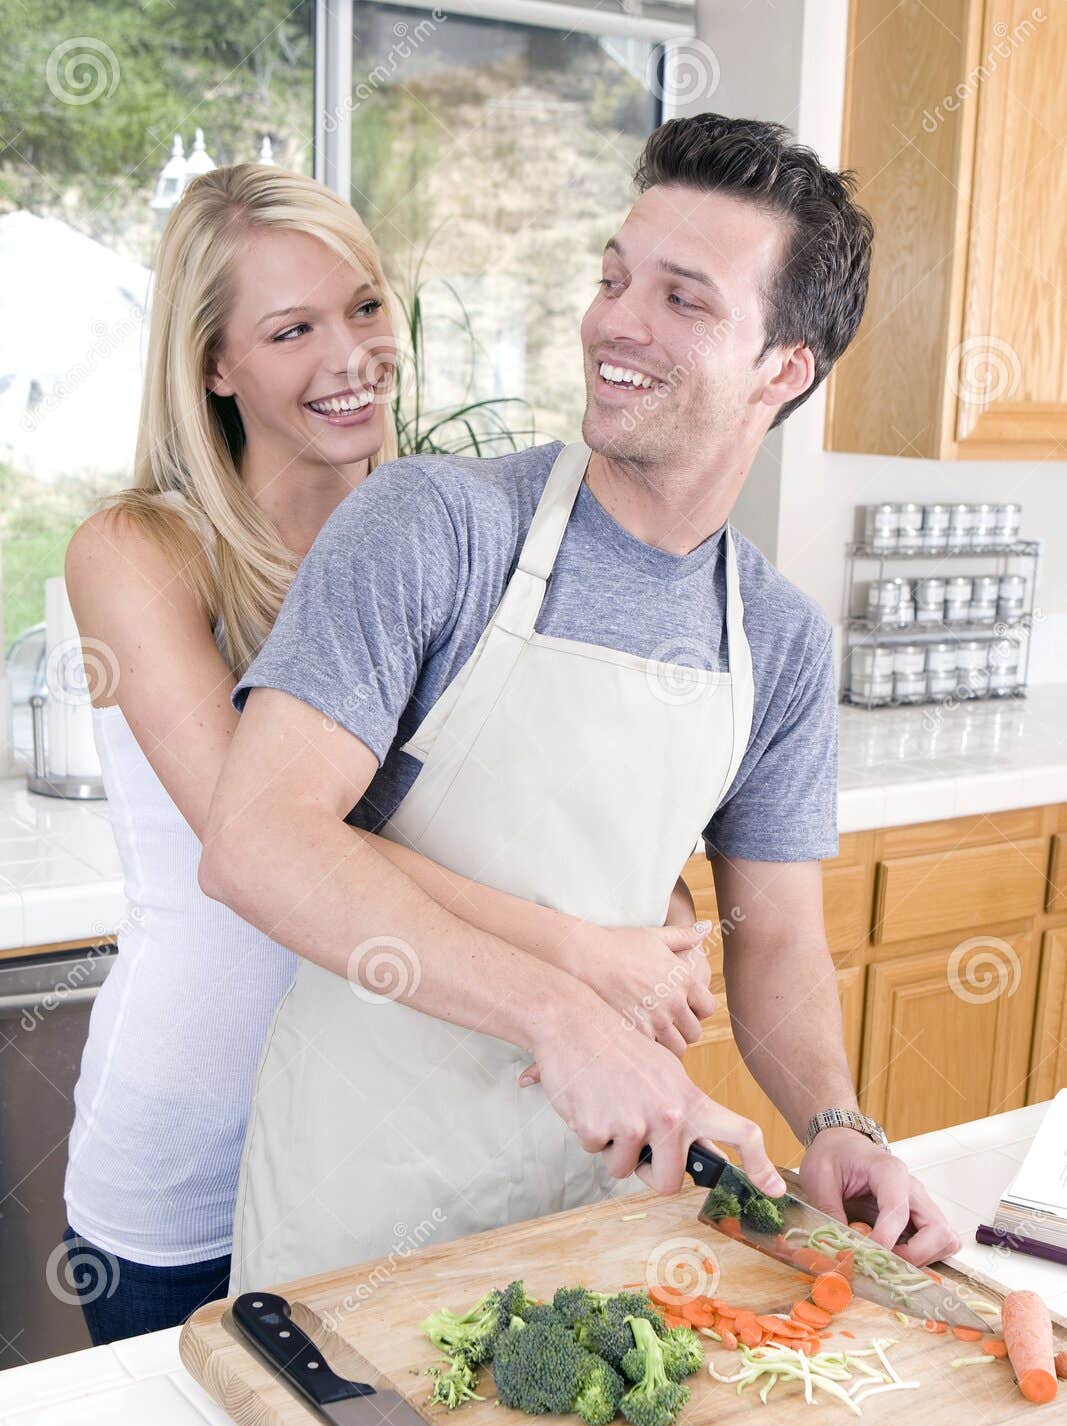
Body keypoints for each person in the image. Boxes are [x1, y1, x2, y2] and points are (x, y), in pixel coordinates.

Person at [201, 113, 961, 1296]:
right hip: (362, 1193)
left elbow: (777, 941)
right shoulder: (433, 528)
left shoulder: (778, 641)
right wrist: (563, 1015)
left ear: (782, 369)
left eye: (682, 299)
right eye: (613, 277)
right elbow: (257, 840)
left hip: (596, 1209)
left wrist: (836, 1118)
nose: (615, 321)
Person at [61, 163, 717, 1342]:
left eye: (365, 306)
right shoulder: (140, 551)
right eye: (290, 328)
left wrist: (645, 907)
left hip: (397, 1163)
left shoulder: (459, 544)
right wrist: (581, 957)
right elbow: (260, 845)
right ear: (214, 364)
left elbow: (518, 802)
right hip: (193, 1150)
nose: (350, 353)